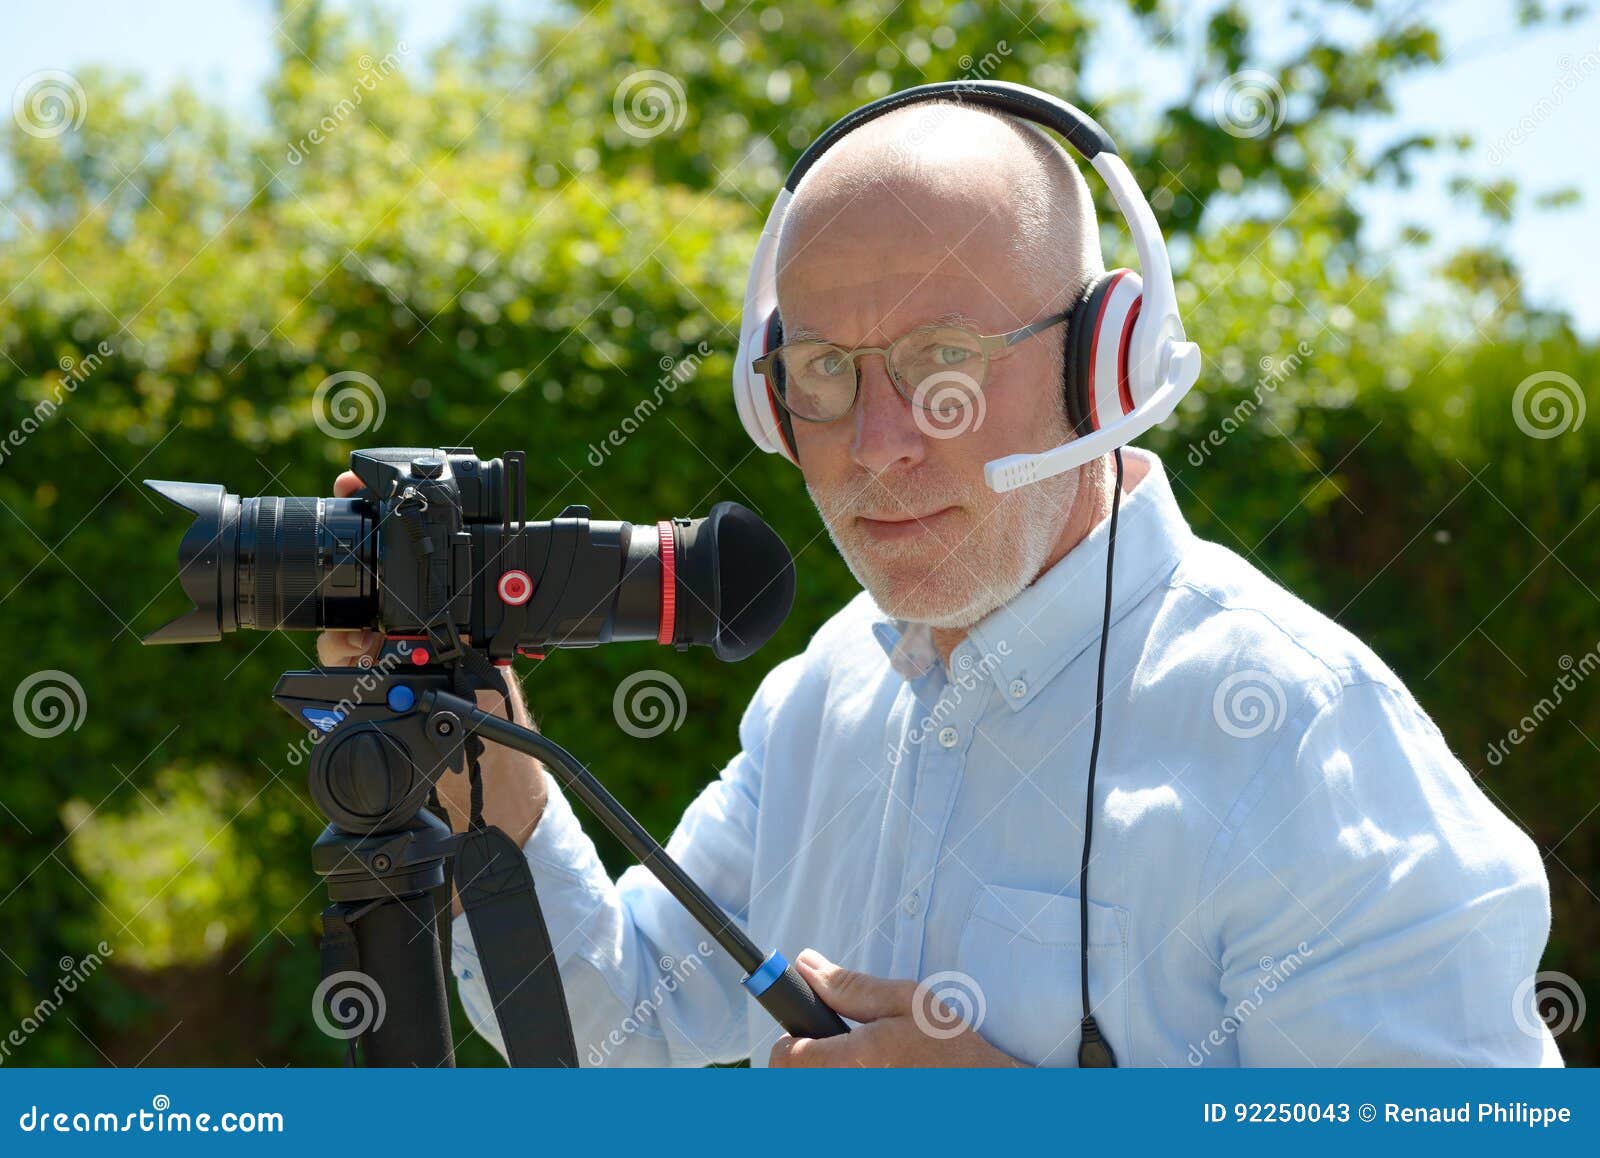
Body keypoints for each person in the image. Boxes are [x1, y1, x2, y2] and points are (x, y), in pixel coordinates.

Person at [318, 100, 1557, 1067]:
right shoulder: (825, 701)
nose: (875, 445)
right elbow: (613, 1024)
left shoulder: (1296, 736)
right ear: (768, 397)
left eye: (944, 363)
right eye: (821, 371)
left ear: (1102, 371)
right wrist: (491, 766)